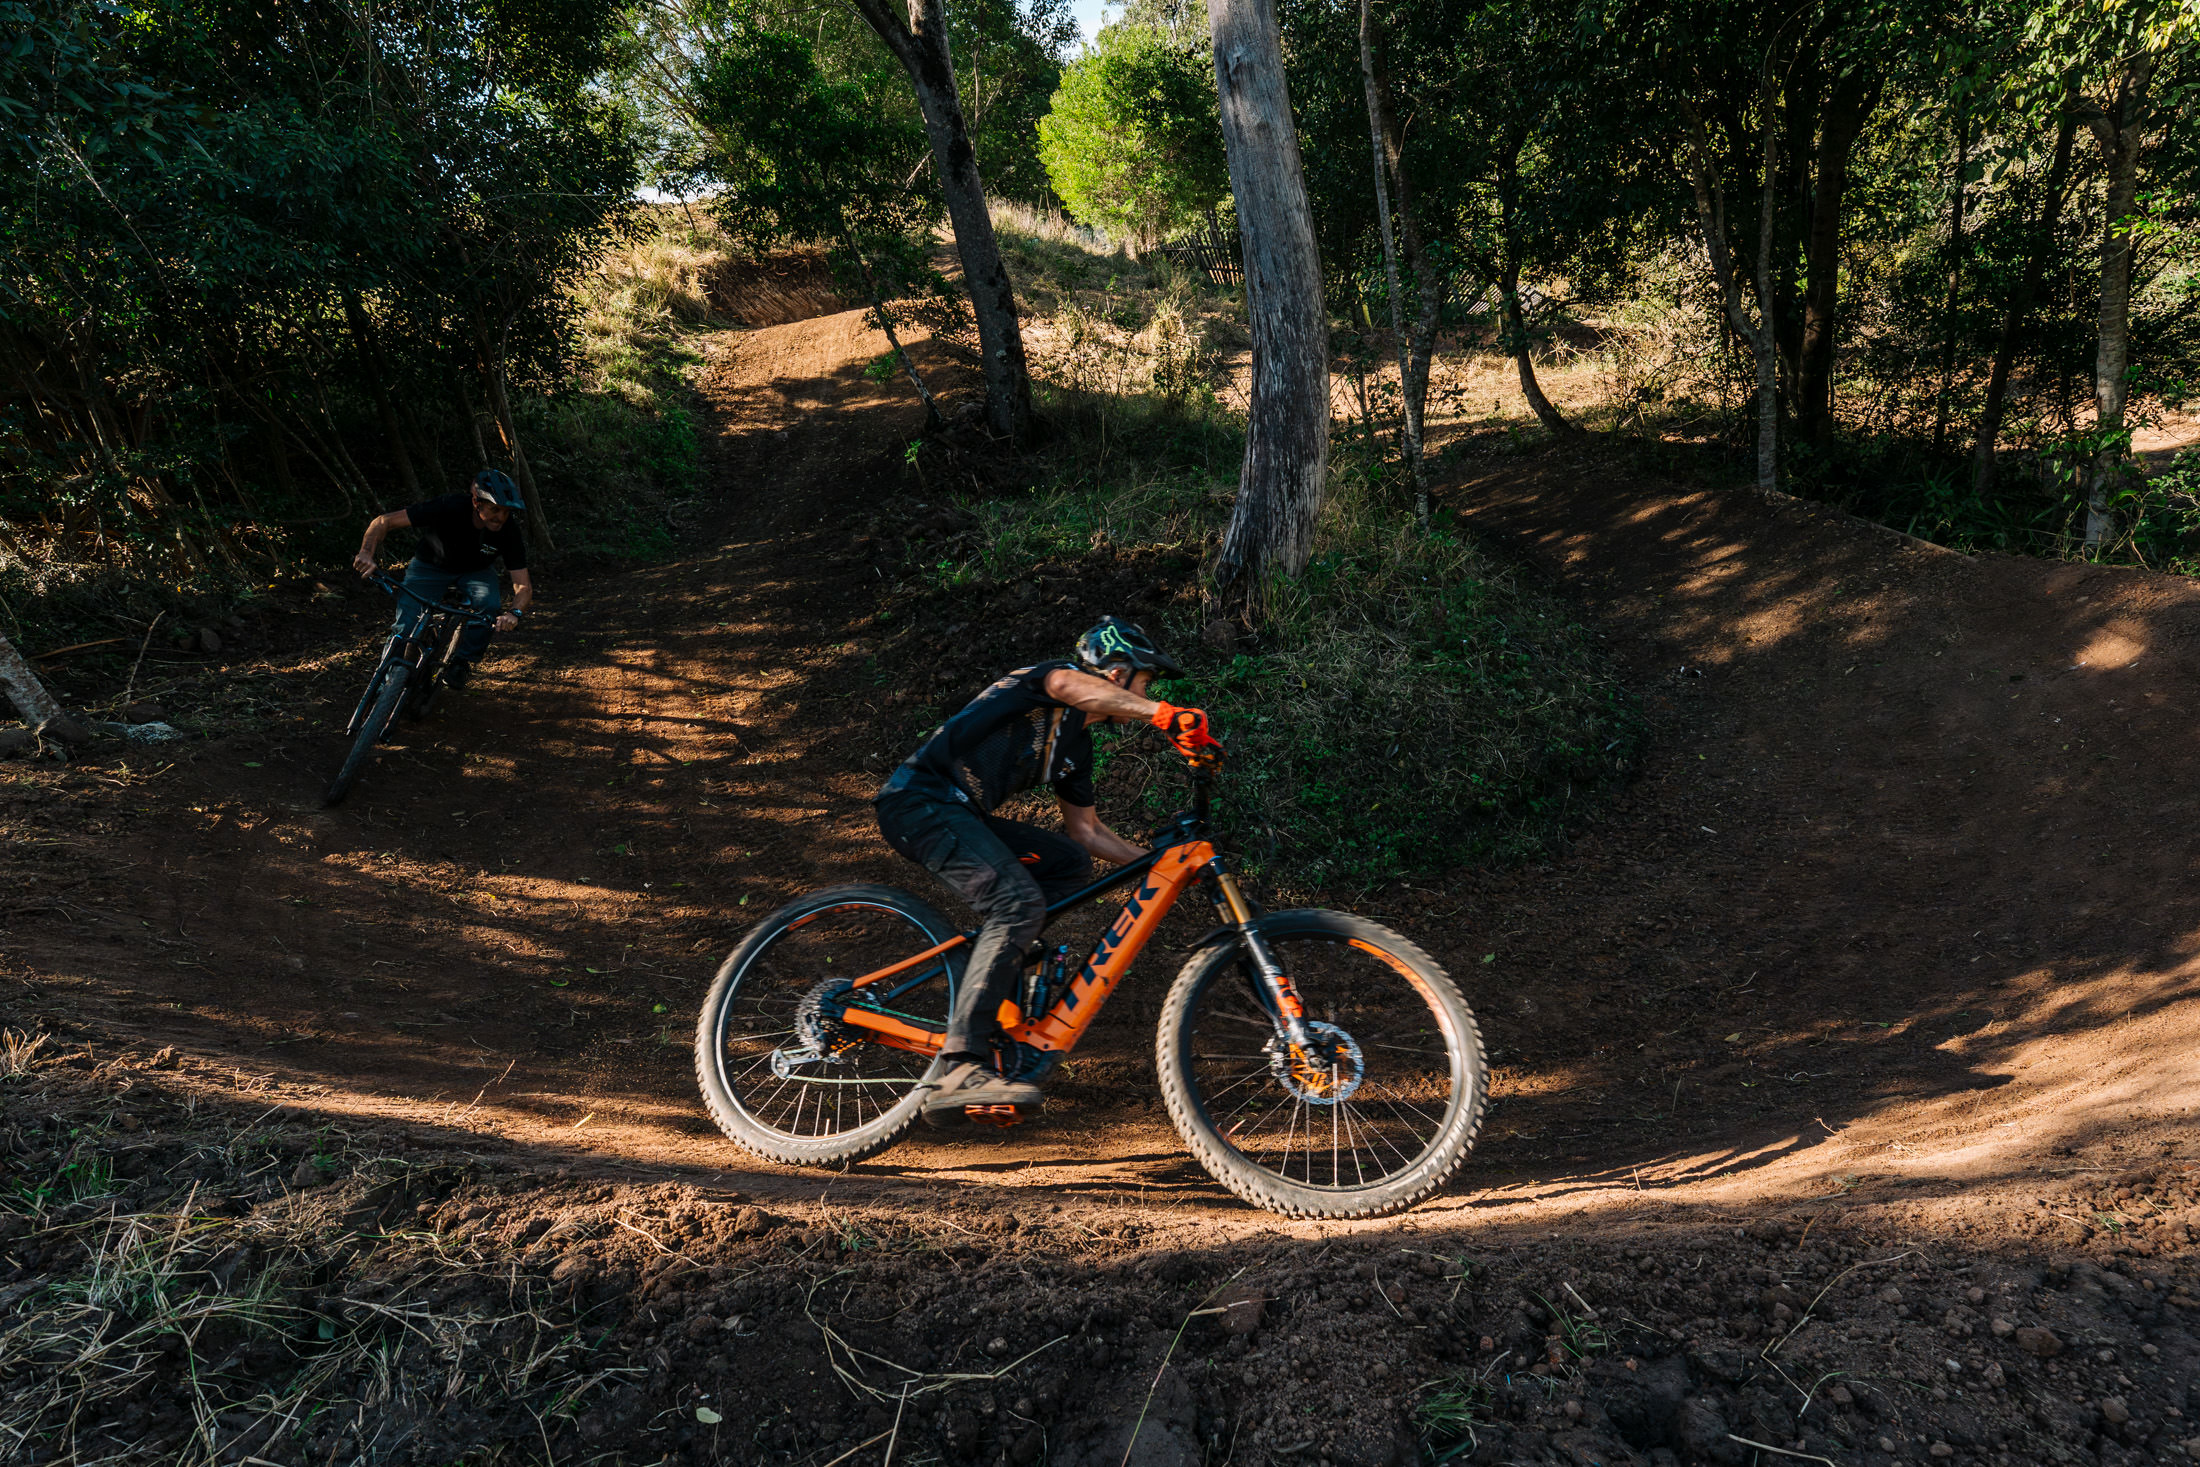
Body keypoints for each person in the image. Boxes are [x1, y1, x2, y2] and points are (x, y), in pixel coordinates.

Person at [874, 615, 1220, 1125]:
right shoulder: (1050, 682)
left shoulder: (1076, 749)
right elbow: (1065, 684)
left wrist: (1163, 863)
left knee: (1069, 862)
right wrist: (1163, 714)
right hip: (919, 802)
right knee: (1016, 902)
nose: (1149, 692)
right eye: (1146, 681)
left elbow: (1088, 833)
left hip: (959, 814)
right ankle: (959, 1064)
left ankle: (998, 967)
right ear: (1117, 673)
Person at [351, 470, 533, 689]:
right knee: (405, 626)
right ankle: (383, 687)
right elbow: (383, 521)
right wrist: (365, 553)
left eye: (506, 512)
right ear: (477, 502)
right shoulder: (450, 506)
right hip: (430, 567)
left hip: (476, 572)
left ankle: (462, 661)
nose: (501, 517)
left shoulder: (509, 531)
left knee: (489, 606)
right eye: (495, 509)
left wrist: (514, 613)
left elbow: (523, 586)